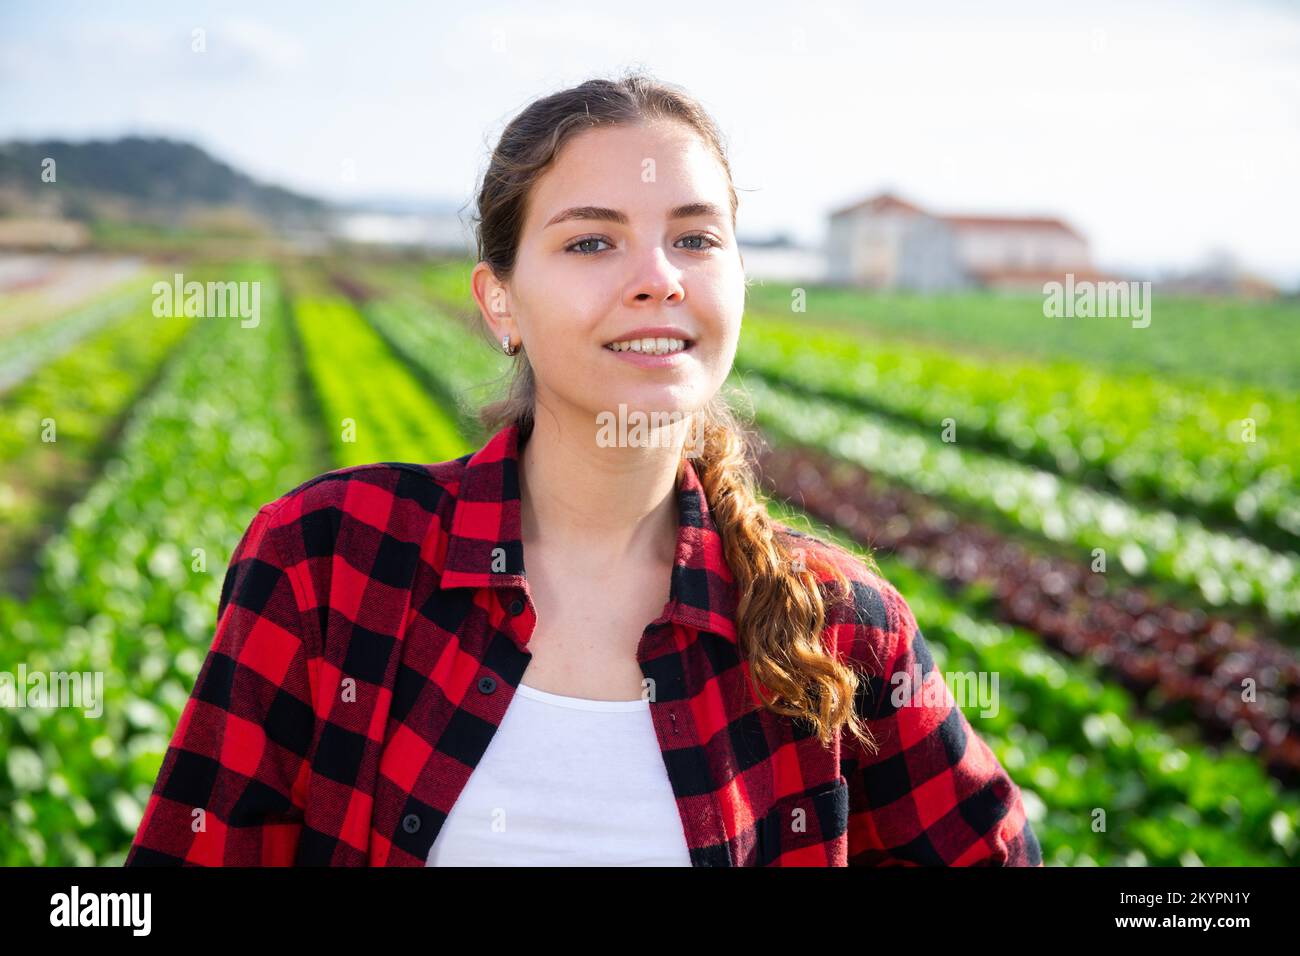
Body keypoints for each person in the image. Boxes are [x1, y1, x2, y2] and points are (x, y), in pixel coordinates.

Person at [125, 69, 1041, 867]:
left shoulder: (841, 625)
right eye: (591, 241)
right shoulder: (329, 562)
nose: (659, 277)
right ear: (500, 302)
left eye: (695, 237)